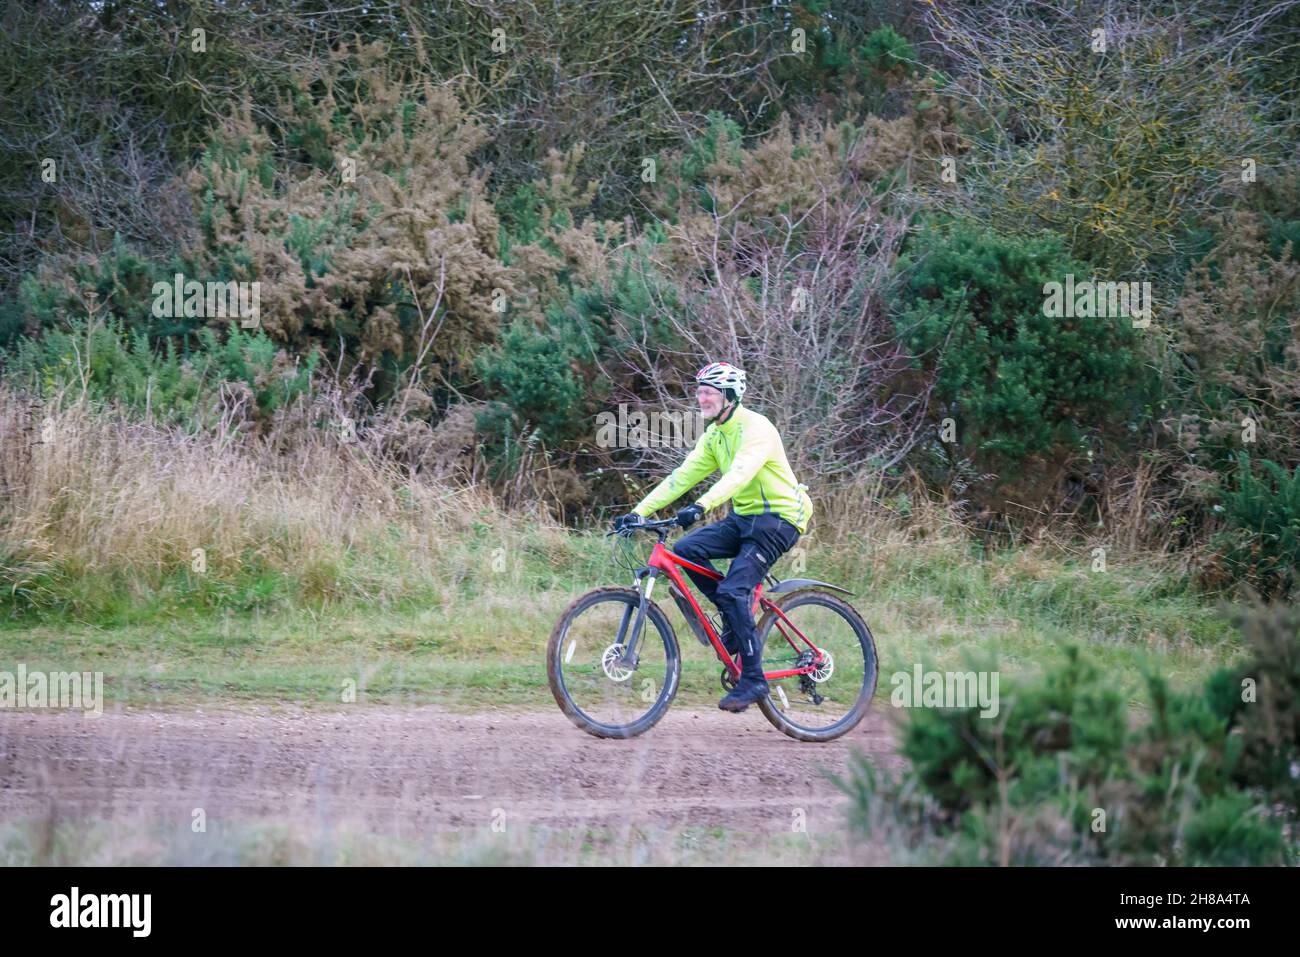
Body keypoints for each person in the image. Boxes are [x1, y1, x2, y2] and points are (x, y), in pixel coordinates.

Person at [613, 361, 813, 712]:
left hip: (779, 520)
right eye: (700, 391)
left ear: (730, 397)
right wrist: (639, 512)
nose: (701, 398)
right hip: (745, 518)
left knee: (734, 590)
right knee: (686, 549)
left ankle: (753, 681)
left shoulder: (756, 428)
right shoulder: (714, 436)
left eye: (709, 392)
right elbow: (681, 477)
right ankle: (734, 618)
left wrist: (701, 506)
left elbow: (739, 474)